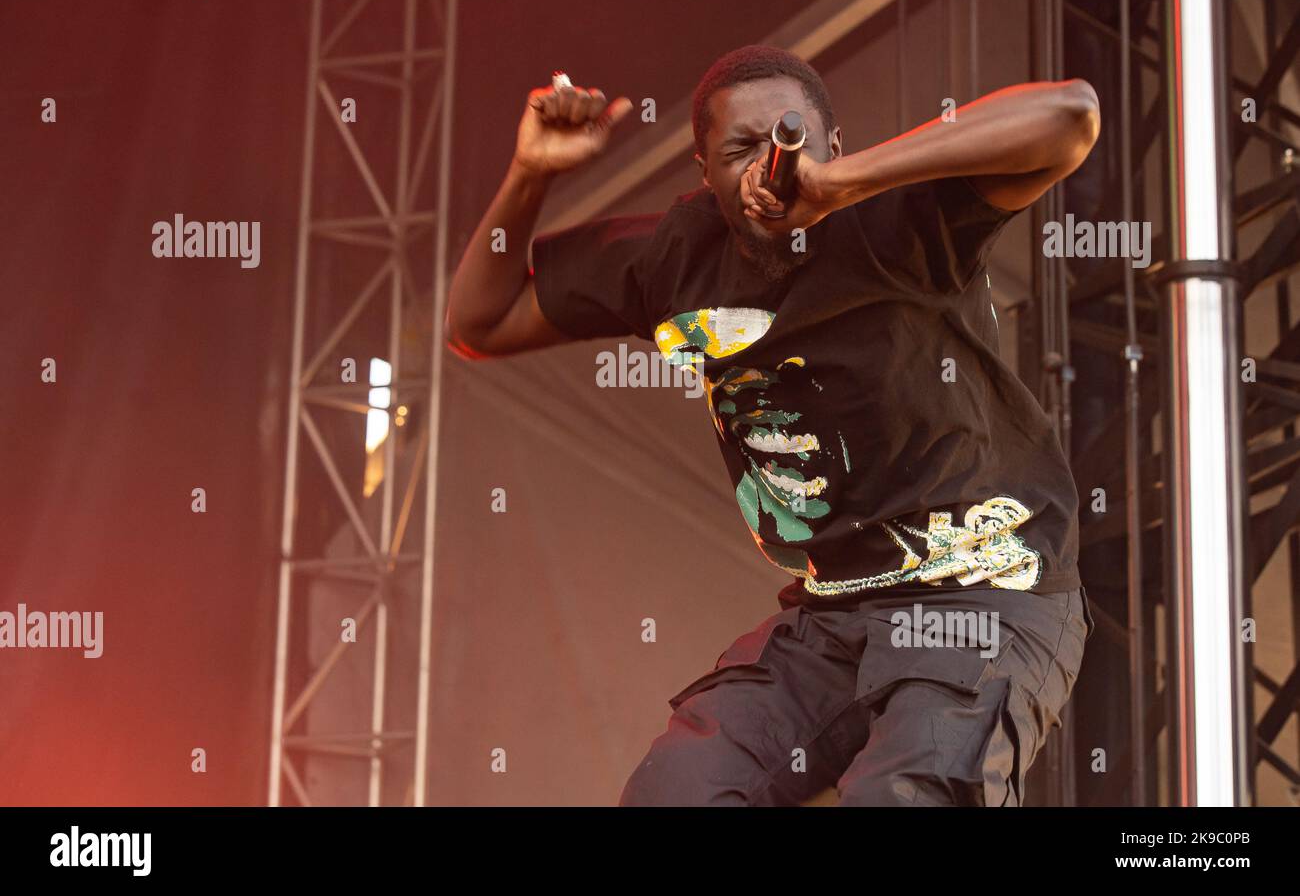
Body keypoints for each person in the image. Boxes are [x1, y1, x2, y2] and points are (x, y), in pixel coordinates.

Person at [446, 45, 1100, 806]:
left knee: (907, 794)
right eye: (739, 149)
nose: (770, 163)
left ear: (834, 145)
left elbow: (1071, 115)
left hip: (991, 586)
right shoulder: (675, 259)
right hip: (832, 613)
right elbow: (478, 322)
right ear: (703, 171)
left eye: (792, 137)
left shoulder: (900, 217)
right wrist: (532, 171)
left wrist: (840, 188)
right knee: (675, 793)